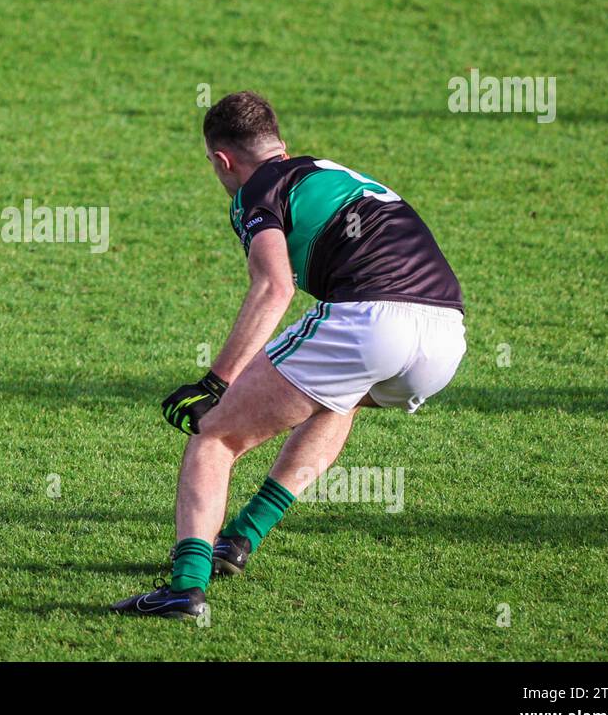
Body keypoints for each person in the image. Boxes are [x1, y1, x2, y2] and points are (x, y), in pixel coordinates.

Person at [112, 91, 466, 618]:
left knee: (214, 437)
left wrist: (215, 383)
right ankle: (240, 538)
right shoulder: (328, 171)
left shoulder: (258, 187)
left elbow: (274, 287)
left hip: (371, 320)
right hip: (445, 339)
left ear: (221, 159)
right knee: (336, 400)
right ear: (280, 143)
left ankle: (185, 588)